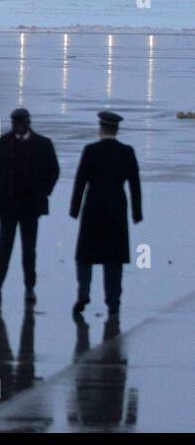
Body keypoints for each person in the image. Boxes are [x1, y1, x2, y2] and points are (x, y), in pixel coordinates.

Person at [70, 111, 142, 317]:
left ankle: (83, 292)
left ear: (101, 128)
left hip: (93, 207)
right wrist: (136, 212)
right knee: (114, 258)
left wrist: (75, 208)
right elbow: (134, 184)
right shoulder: (127, 152)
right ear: (116, 129)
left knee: (84, 255)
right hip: (116, 209)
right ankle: (113, 301)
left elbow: (80, 181)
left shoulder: (90, 150)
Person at [0, 108, 60, 307]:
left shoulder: (43, 144)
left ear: (28, 122)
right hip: (8, 206)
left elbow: (53, 171)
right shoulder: (2, 144)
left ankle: (29, 288)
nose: (18, 126)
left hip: (30, 206)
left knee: (29, 250)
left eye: (21, 122)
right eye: (15, 122)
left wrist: (43, 192)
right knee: (4, 248)